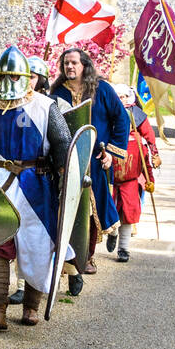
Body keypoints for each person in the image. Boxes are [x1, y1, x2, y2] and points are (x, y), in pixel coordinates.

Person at [0, 46, 71, 328]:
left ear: (25, 77)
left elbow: (62, 145)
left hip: (35, 184)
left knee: (37, 244)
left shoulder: (45, 106)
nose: (11, 82)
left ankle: (31, 307)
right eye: (6, 77)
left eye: (16, 77)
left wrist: (64, 176)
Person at [48, 48, 129, 274]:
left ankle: (87, 256)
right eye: (66, 63)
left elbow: (121, 119)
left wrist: (111, 153)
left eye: (74, 62)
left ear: (84, 65)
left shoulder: (101, 89)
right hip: (64, 161)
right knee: (64, 207)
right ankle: (66, 256)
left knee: (91, 210)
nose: (69, 67)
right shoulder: (56, 93)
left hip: (94, 160)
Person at [107, 84, 160, 262]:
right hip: (110, 177)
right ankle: (112, 232)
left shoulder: (137, 116)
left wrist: (155, 156)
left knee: (129, 214)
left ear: (129, 97)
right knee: (109, 210)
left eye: (123, 97)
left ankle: (124, 248)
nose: (120, 100)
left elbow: (150, 139)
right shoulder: (109, 113)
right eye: (117, 96)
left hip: (130, 178)